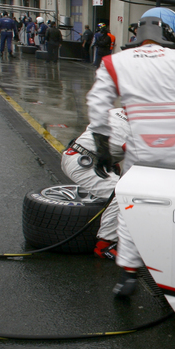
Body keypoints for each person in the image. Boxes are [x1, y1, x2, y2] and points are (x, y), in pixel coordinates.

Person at [86, 17, 175, 298]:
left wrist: (101, 146)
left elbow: (97, 102)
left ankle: (128, 275)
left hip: (140, 149)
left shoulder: (115, 62)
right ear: (165, 37)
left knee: (132, 208)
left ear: (137, 38)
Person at [61, 108, 130, 259]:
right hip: (84, 164)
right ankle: (105, 245)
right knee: (124, 194)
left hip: (84, 157)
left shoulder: (117, 112)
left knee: (127, 187)